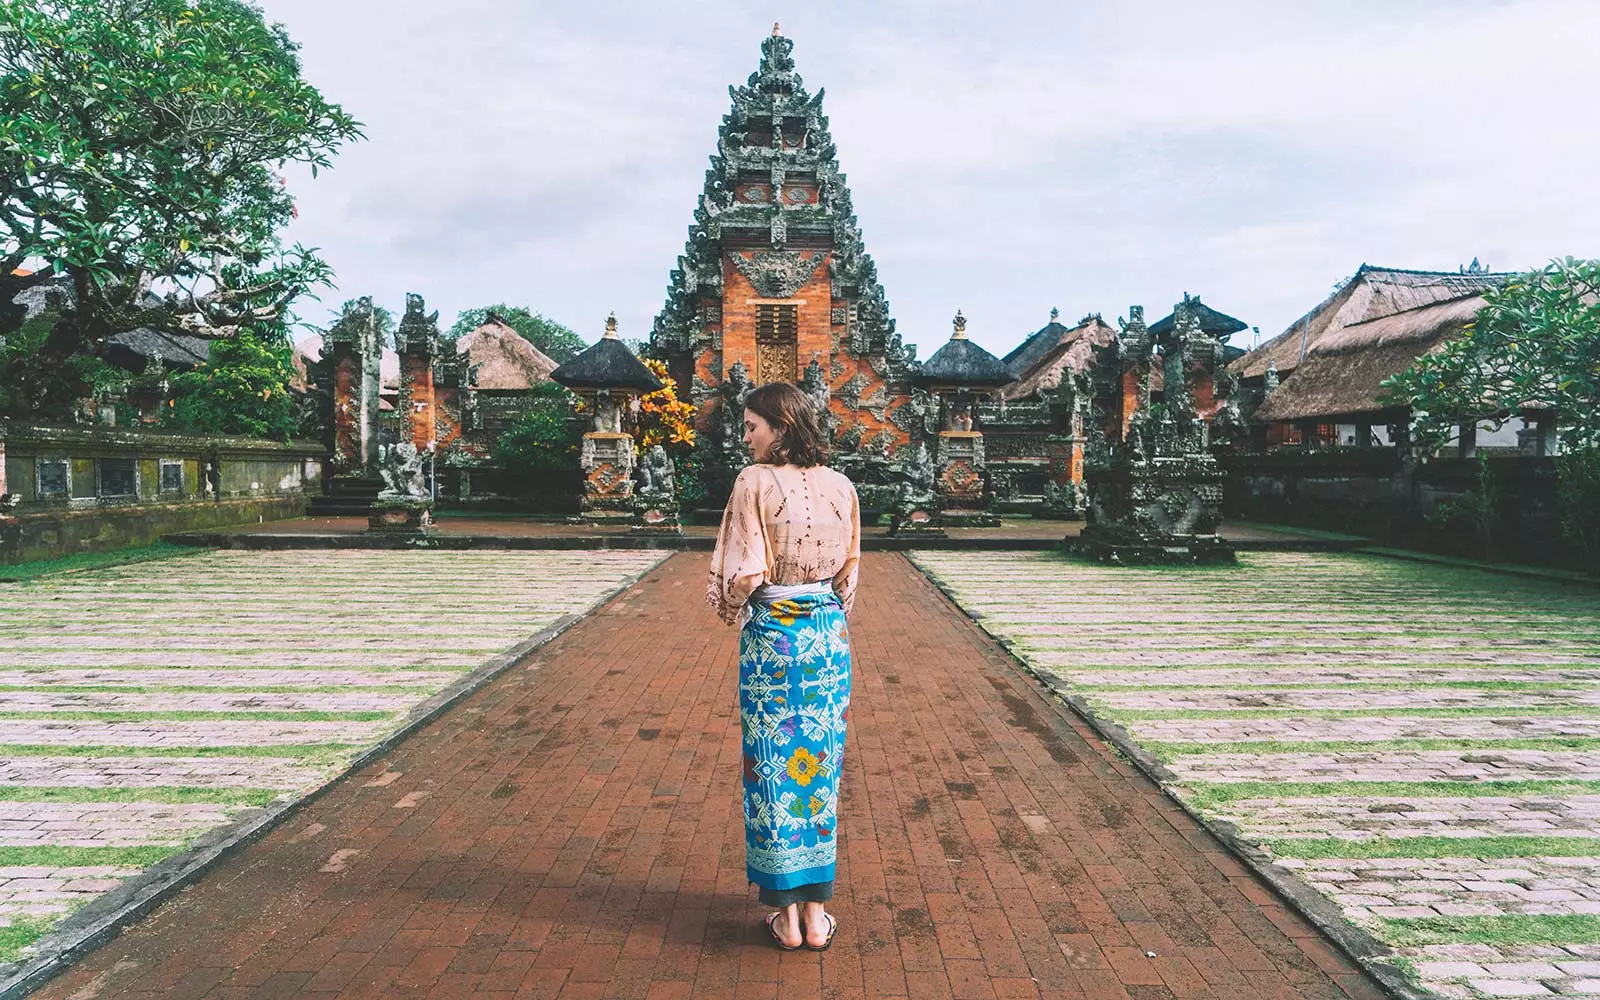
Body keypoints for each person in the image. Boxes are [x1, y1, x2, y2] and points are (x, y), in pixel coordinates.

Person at [706, 381, 861, 952]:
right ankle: (817, 914)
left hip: (773, 639)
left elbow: (743, 573)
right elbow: (848, 576)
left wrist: (732, 605)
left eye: (752, 426)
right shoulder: (842, 485)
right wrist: (820, 609)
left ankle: (786, 915)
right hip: (825, 640)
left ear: (781, 426)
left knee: (771, 765)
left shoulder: (753, 481)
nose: (746, 436)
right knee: (820, 765)